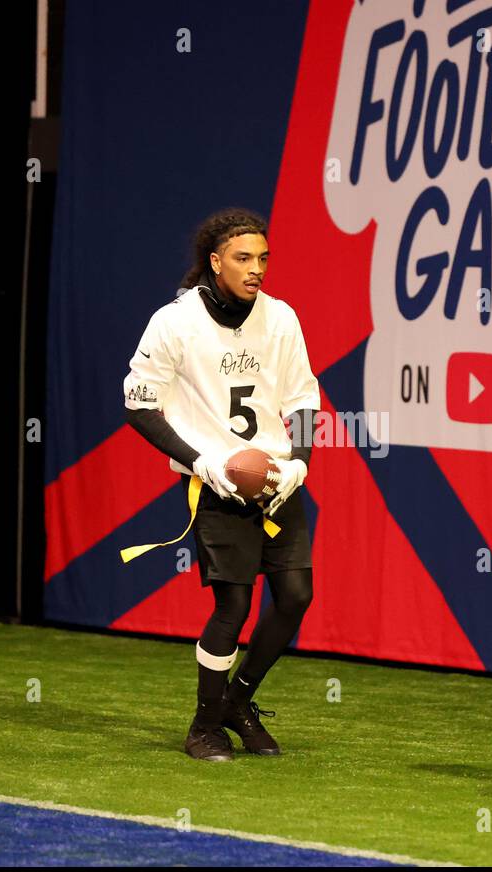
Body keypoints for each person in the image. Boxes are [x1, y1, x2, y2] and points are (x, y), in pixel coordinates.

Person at [123, 209, 321, 761]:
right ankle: (203, 728)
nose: (256, 268)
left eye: (262, 258)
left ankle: (237, 701)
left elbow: (303, 397)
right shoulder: (175, 322)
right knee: (233, 606)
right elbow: (138, 405)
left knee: (296, 597)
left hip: (278, 480)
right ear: (215, 262)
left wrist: (300, 461)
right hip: (216, 483)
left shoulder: (281, 319)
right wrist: (200, 461)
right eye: (242, 258)